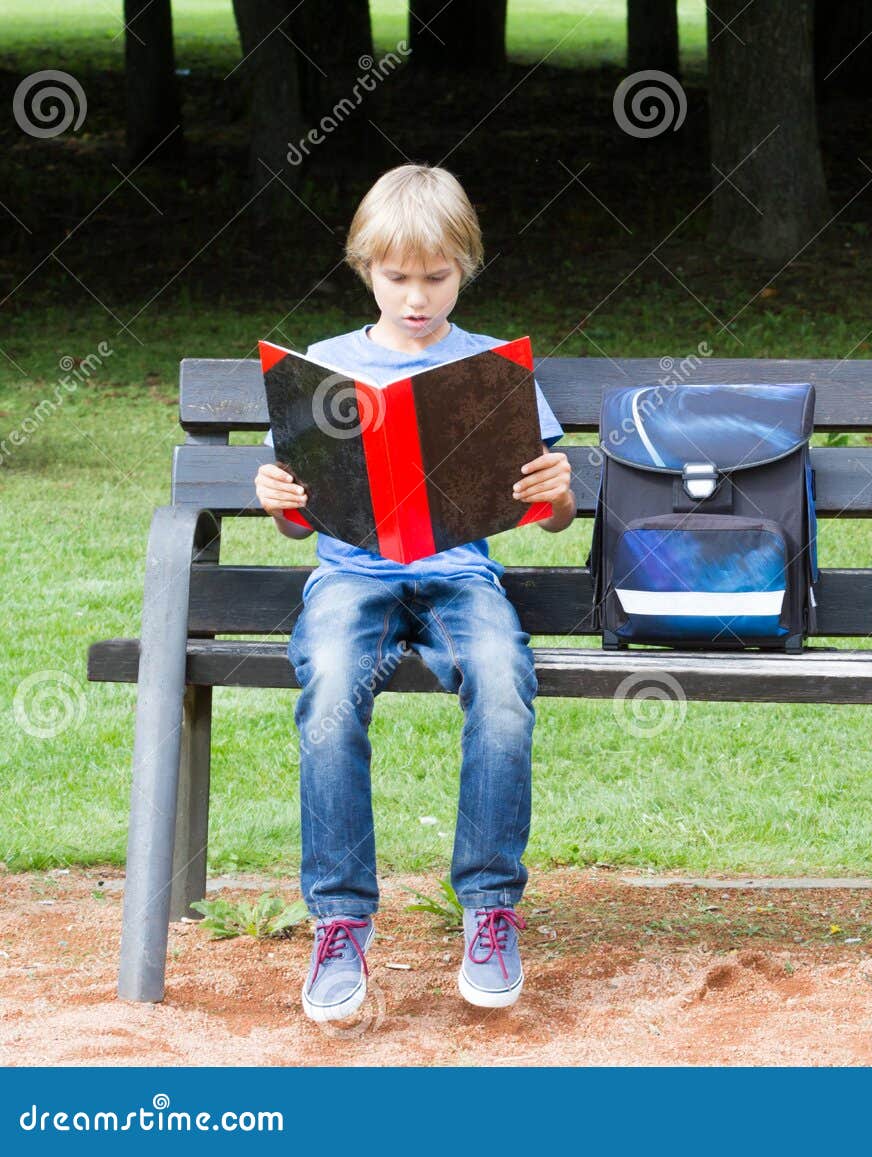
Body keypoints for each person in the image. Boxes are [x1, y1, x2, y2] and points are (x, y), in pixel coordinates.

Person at [254, 163, 573, 1021]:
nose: (418, 296)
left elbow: (550, 514)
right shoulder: (327, 366)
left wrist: (558, 488)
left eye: (436, 277)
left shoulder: (493, 368)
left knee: (503, 687)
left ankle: (491, 907)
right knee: (328, 695)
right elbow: (298, 515)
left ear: (464, 268)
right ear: (367, 269)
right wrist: (281, 501)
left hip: (460, 573)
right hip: (352, 574)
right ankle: (341, 921)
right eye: (398, 278)